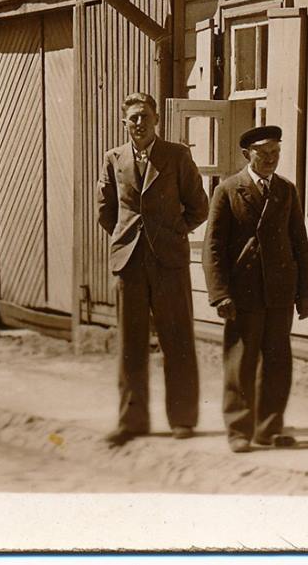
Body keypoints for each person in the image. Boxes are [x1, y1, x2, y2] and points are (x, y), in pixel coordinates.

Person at [96, 91, 208, 446]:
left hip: (169, 263)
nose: (139, 123)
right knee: (131, 344)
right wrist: (127, 237)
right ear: (124, 122)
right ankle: (132, 420)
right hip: (129, 263)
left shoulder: (176, 156)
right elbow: (105, 210)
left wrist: (172, 233)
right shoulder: (114, 159)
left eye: (145, 116)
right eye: (132, 118)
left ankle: (183, 419)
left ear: (157, 118)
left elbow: (198, 207)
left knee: (177, 341)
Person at [205, 124, 308, 453]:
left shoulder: (286, 190)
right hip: (244, 293)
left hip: (280, 291)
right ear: (246, 154)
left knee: (277, 362)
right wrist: (220, 293)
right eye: (263, 153)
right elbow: (213, 247)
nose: (271, 159)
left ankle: (269, 428)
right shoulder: (228, 190)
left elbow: (299, 241)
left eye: (276, 153)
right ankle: (239, 429)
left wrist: (305, 292)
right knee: (241, 363)